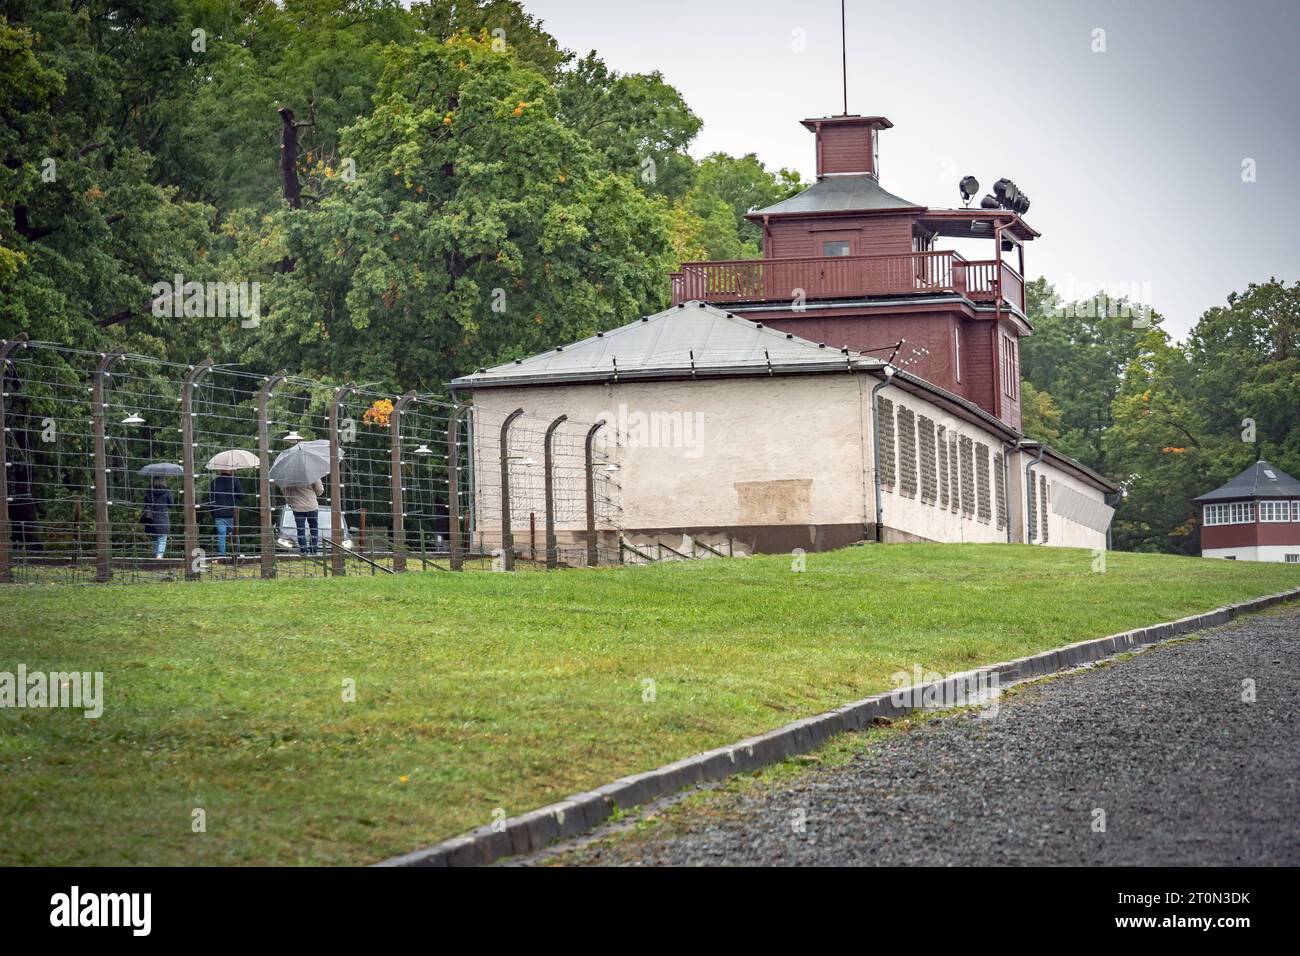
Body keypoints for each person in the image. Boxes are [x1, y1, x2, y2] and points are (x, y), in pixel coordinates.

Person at [283, 479, 324, 555]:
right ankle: (313, 550)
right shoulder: (312, 475)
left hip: (297, 506)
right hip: (312, 506)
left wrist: (290, 502)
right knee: (314, 528)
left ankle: (303, 550)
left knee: (300, 529)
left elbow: (286, 492)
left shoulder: (290, 477)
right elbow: (319, 490)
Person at [208, 469, 243, 557]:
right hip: (232, 513)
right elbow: (241, 496)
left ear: (220, 470)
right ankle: (237, 554)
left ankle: (221, 556)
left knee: (221, 536)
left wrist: (213, 513)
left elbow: (210, 500)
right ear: (229, 470)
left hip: (219, 513)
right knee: (235, 535)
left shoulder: (214, 482)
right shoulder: (234, 480)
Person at [141, 477, 173, 559]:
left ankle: (154, 558)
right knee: (162, 539)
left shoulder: (149, 490)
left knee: (155, 540)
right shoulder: (166, 491)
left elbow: (145, 504)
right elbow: (171, 505)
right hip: (163, 518)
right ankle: (159, 557)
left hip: (152, 519)